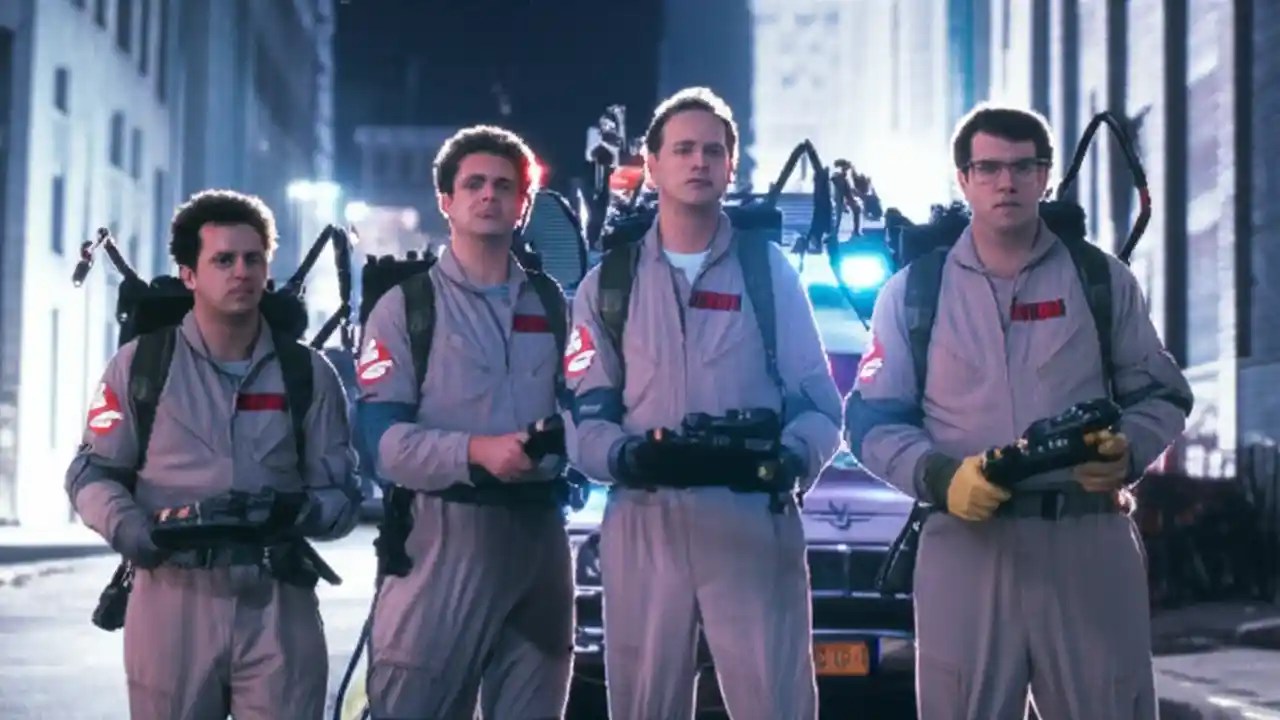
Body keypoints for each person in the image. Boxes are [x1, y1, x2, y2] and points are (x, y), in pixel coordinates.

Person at [845, 104, 1194, 720]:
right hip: (965, 547)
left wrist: (1129, 449)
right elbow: (871, 422)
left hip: (1087, 540)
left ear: (1044, 177)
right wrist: (940, 477)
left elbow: (1163, 393)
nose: (1005, 182)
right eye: (988, 168)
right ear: (964, 179)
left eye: (1021, 167)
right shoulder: (913, 294)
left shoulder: (1100, 281)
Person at [567, 86, 843, 720]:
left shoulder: (769, 273)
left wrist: (793, 459)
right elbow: (584, 414)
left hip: (750, 517)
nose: (698, 162)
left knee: (775, 703)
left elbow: (820, 405)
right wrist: (625, 457)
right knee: (643, 706)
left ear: (730, 166)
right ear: (653, 163)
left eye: (712, 151)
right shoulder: (608, 284)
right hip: (644, 520)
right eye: (683, 149)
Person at [64, 189, 361, 719]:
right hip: (173, 597)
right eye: (222, 260)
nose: (241, 272)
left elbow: (341, 496)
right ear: (189, 275)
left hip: (278, 600)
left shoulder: (308, 375)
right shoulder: (140, 368)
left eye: (253, 259)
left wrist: (299, 511)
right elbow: (91, 473)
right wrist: (135, 531)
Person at [357, 125, 574, 720]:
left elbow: (589, 412)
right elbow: (382, 444)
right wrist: (476, 451)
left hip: (539, 543)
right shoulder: (407, 308)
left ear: (523, 205)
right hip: (441, 539)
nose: (489, 195)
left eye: (505, 186)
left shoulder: (554, 306)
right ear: (445, 201)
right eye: (473, 184)